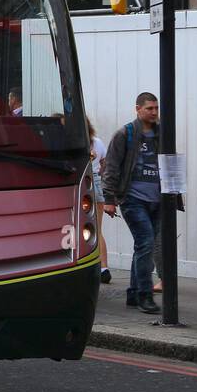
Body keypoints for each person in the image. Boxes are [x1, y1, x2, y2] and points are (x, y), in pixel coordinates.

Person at [102, 92, 162, 315]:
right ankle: (145, 296)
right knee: (146, 243)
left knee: (143, 246)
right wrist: (109, 200)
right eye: (149, 108)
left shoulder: (162, 133)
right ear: (138, 109)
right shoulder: (125, 134)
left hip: (158, 200)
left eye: (156, 108)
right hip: (133, 199)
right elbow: (112, 167)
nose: (154, 112)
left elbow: (171, 162)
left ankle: (134, 292)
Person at [87, 117, 111, 284]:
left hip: (83, 183)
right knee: (98, 230)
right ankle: (104, 267)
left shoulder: (76, 141)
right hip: (97, 182)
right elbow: (105, 165)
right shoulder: (98, 142)